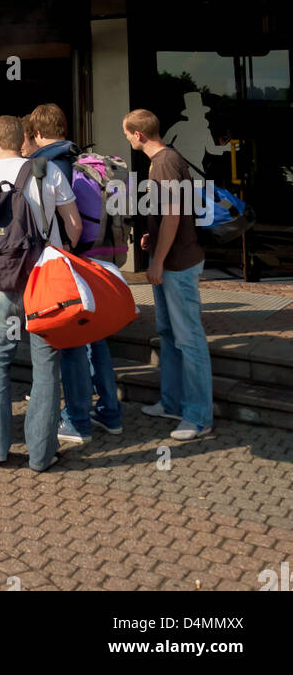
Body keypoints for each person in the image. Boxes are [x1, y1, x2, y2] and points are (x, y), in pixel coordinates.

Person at [0, 115, 82, 472]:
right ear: (24, 140)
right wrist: (62, 250)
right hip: (45, 281)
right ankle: (41, 454)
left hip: (4, 284)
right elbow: (73, 223)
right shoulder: (48, 171)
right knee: (46, 364)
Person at [28, 103, 124, 447]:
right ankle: (110, 413)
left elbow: (64, 220)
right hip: (101, 255)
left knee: (73, 342)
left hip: (73, 258)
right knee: (95, 337)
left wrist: (62, 250)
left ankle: (77, 421)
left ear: (37, 133)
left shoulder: (49, 164)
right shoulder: (78, 156)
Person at [123, 108, 214, 441]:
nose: (127, 138)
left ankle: (199, 417)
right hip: (173, 258)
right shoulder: (166, 160)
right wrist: (153, 233)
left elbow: (174, 214)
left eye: (127, 134)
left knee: (189, 339)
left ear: (139, 135)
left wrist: (157, 260)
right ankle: (174, 403)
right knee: (171, 334)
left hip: (178, 264)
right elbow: (165, 214)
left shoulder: (163, 163)